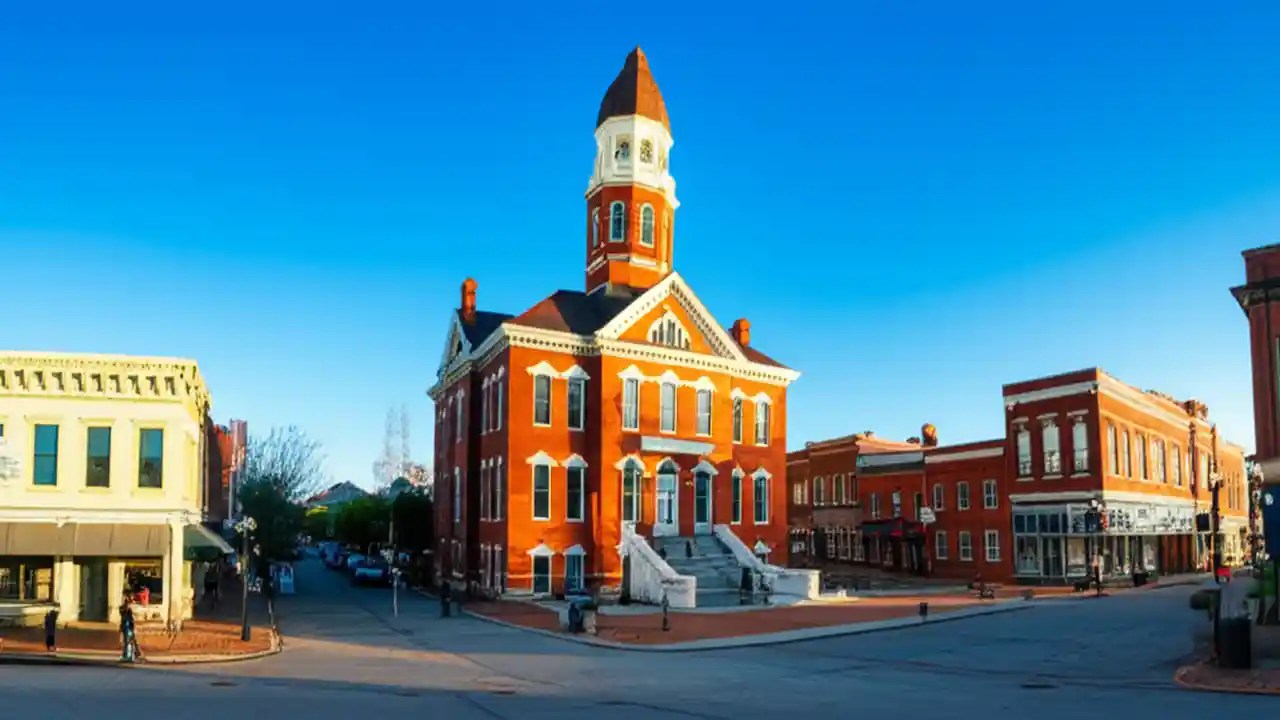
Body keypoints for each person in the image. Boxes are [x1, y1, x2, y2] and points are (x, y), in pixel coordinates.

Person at [119, 594, 137, 663]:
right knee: (125, 642)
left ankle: (129, 656)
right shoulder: (122, 608)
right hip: (125, 626)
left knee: (129, 641)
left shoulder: (131, 608)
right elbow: (122, 612)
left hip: (129, 626)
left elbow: (133, 617)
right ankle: (125, 655)